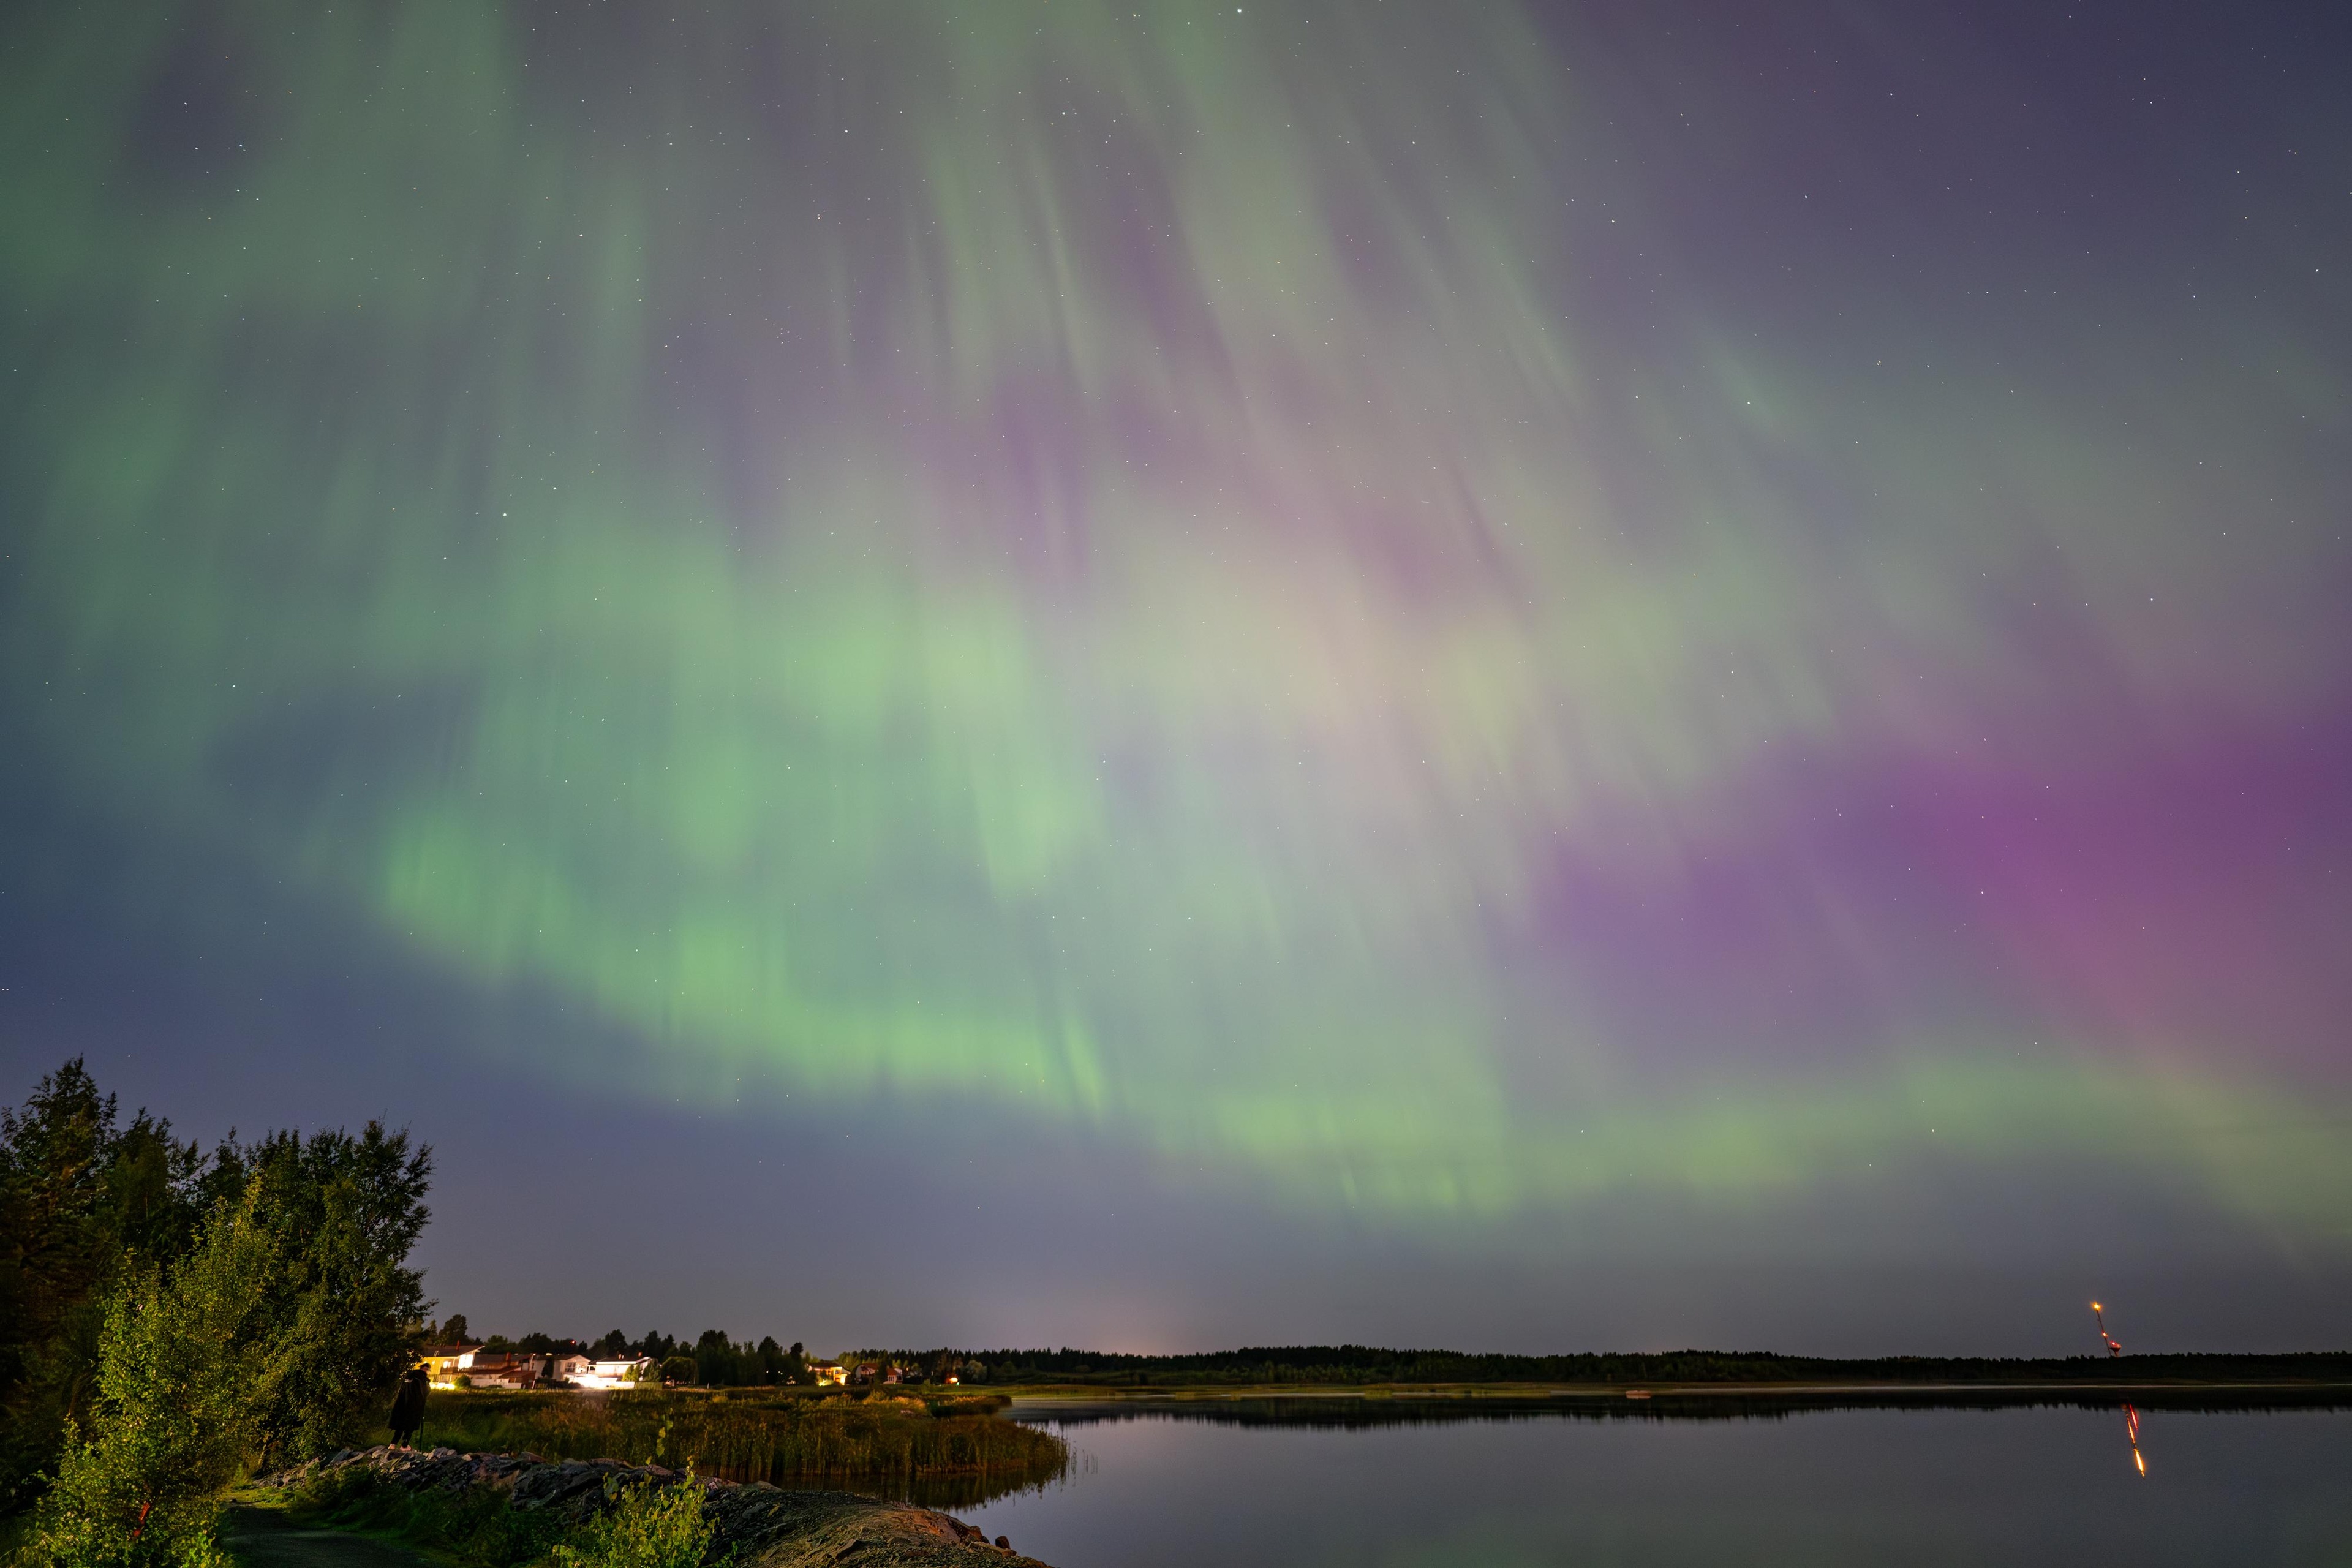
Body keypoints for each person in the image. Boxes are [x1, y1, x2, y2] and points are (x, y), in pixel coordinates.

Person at [388, 1366, 428, 1447]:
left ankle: (393, 1444)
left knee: (401, 1424)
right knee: (410, 1427)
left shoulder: (409, 1377)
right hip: (414, 1407)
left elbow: (401, 1390)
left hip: (402, 1405)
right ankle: (405, 1445)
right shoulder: (421, 1379)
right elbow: (425, 1393)